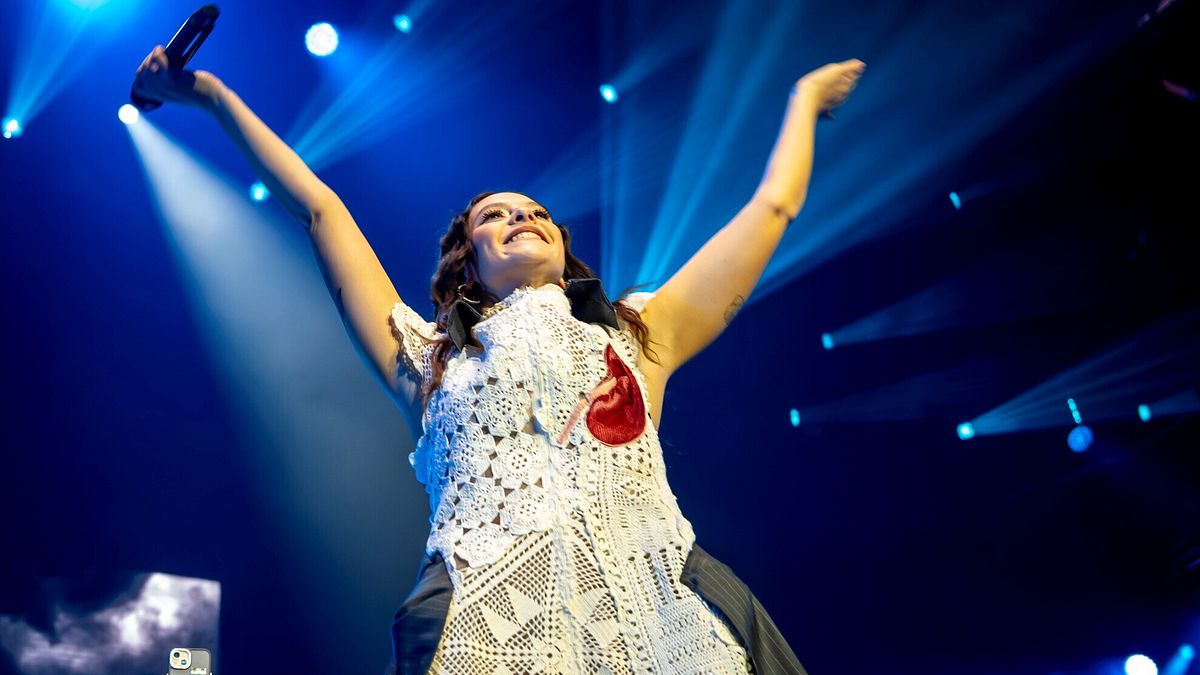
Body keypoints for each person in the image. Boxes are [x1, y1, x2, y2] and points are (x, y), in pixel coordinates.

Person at [134, 39, 863, 675]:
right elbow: (321, 208)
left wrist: (802, 103)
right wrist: (211, 96)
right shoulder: (426, 355)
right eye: (497, 214)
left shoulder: (639, 333)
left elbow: (771, 210)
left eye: (538, 212)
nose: (524, 216)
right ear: (468, 259)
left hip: (664, 612)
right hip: (486, 622)